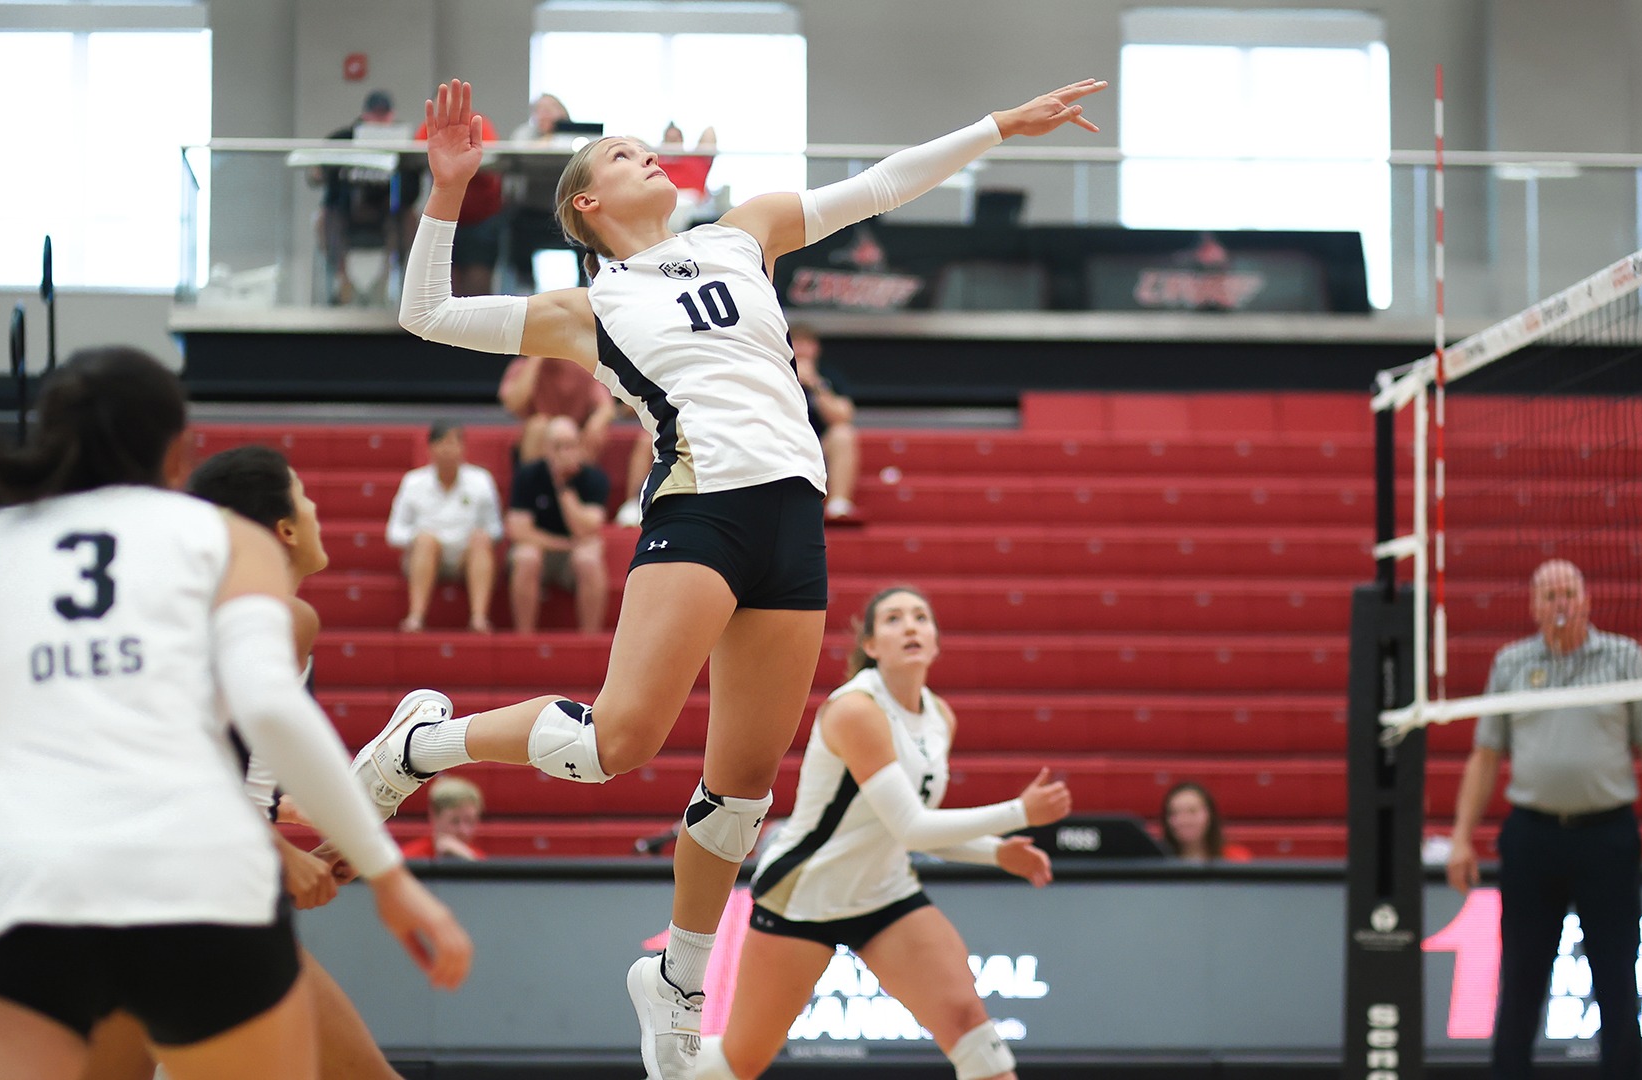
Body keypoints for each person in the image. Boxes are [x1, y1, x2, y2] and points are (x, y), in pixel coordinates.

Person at [362, 76, 1105, 1080]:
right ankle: (424, 741)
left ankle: (677, 977)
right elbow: (427, 313)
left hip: (795, 514)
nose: (647, 158)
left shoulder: (740, 233)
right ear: (587, 204)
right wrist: (446, 190)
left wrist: (999, 128)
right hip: (702, 505)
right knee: (619, 744)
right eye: (623, 155)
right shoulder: (588, 305)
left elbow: (879, 187)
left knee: (743, 791)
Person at [0, 347, 470, 1080]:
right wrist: (389, 876)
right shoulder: (230, 540)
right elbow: (270, 708)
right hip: (200, 880)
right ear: (179, 453)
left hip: (25, 883)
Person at [79, 443, 415, 1080]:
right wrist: (279, 851)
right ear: (285, 528)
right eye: (307, 498)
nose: (317, 511)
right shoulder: (283, 618)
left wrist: (288, 827)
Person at [695, 587, 1071, 1080]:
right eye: (893, 619)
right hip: (803, 895)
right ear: (870, 645)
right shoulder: (856, 710)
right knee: (740, 1061)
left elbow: (898, 831)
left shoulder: (940, 717)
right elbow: (913, 828)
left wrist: (996, 854)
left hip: (884, 892)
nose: (911, 626)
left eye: (921, 618)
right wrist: (1019, 812)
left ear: (936, 642)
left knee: (975, 1035)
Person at [1446, 558, 1642, 1080]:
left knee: (1616, 981)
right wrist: (1461, 837)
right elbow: (1486, 756)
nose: (1561, 604)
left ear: (1587, 599)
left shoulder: (1624, 656)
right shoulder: (1512, 663)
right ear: (1534, 606)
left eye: (1568, 594)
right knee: (1520, 983)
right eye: (1550, 595)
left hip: (1607, 838)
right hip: (1532, 838)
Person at [386, 421, 503, 633]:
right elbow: (394, 532)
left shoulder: (481, 481)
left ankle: (479, 618)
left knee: (481, 540)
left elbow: (495, 528)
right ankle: (416, 617)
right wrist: (421, 538)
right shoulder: (413, 482)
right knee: (425, 541)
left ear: (463, 448)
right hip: (424, 554)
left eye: (454, 443)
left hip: (464, 556)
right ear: (431, 449)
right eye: (443, 443)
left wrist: (476, 537)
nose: (448, 450)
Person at [315, 90, 423, 305]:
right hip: (347, 211)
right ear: (365, 115)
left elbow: (412, 190)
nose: (380, 121)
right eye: (375, 115)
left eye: (384, 115)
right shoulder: (343, 138)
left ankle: (389, 280)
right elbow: (322, 175)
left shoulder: (405, 144)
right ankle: (341, 279)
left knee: (410, 218)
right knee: (325, 218)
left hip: (387, 213)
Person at [506, 416, 610, 634]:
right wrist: (565, 545)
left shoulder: (593, 478)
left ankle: (589, 640)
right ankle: (524, 637)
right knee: (526, 557)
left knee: (589, 559)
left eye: (570, 446)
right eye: (558, 447)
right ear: (546, 448)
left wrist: (562, 487)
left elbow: (586, 529)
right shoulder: (528, 475)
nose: (564, 453)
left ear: (579, 446)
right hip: (545, 550)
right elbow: (518, 531)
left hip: (572, 557)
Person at [415, 111, 504, 297]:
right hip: (444, 218)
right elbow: (415, 156)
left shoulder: (478, 123)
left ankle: (479, 325)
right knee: (443, 284)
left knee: (478, 286)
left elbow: (490, 164)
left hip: (481, 217)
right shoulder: (430, 126)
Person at [505, 92, 578, 292]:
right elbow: (518, 152)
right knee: (513, 224)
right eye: (539, 110)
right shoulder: (525, 134)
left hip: (569, 211)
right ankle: (524, 286)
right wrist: (547, 139)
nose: (544, 115)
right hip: (532, 211)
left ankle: (585, 287)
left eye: (550, 109)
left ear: (563, 112)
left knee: (587, 225)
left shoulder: (576, 135)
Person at [789, 325, 861, 523]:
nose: (802, 349)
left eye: (807, 343)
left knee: (843, 434)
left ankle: (838, 504)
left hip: (821, 447)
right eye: (797, 343)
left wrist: (816, 385)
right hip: (786, 445)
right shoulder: (776, 374)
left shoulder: (828, 376)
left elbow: (844, 415)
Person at [497, 353, 616, 465]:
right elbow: (512, 404)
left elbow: (607, 406)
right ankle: (536, 484)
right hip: (539, 442)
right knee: (538, 426)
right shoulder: (522, 366)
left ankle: (579, 482)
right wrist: (536, 357)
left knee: (590, 431)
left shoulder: (581, 365)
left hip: (573, 436)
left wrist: (596, 423)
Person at [1158, 781, 1252, 863]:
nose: (1183, 820)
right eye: (1174, 813)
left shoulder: (1236, 858)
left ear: (1210, 814)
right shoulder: (1157, 861)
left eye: (1192, 811)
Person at [400, 775, 486, 861]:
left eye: (470, 821)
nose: (463, 831)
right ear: (434, 815)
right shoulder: (408, 858)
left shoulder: (478, 858)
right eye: (455, 821)